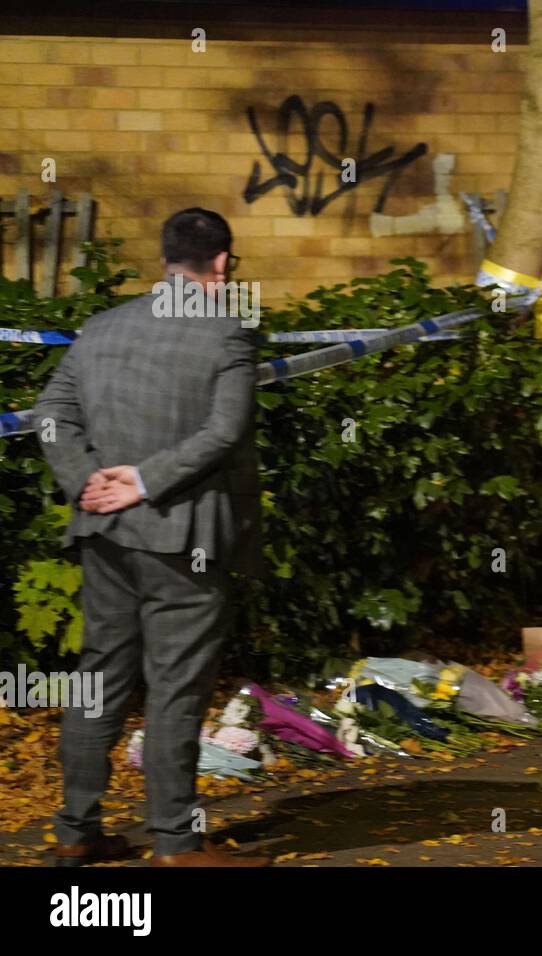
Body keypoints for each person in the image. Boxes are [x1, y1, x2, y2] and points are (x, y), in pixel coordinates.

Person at [35, 208, 269, 867]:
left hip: (104, 535)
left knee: (98, 679)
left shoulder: (101, 327)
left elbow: (50, 416)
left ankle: (76, 833)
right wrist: (140, 480)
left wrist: (88, 483)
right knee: (175, 688)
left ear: (166, 259)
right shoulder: (230, 332)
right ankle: (177, 844)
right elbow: (224, 432)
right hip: (183, 538)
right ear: (221, 264)